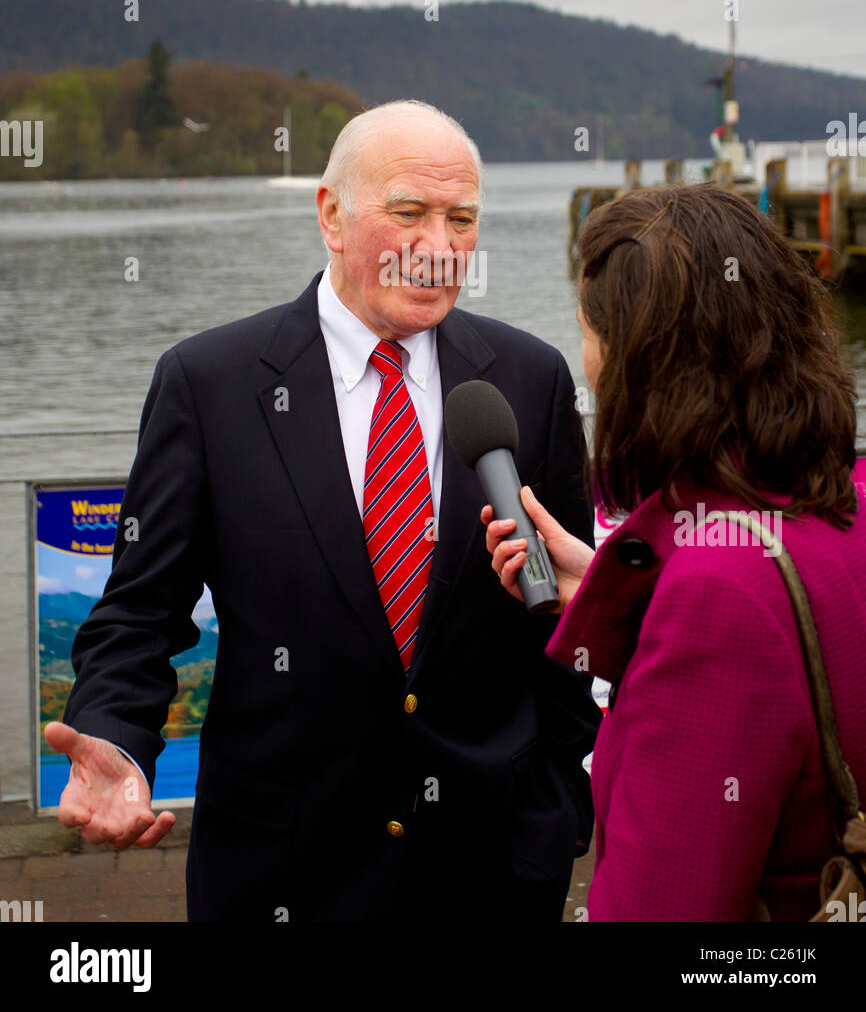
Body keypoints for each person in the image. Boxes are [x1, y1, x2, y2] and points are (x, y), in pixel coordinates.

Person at [46, 99, 600, 923]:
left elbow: (565, 621)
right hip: (280, 871)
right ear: (332, 215)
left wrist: (554, 802)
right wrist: (118, 740)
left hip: (491, 869)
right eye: (409, 213)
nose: (439, 249)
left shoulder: (530, 377)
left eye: (462, 219)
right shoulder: (211, 384)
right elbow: (140, 613)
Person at [485, 183, 866, 922]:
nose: (586, 363)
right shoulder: (844, 494)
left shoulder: (715, 599)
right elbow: (787, 684)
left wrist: (680, 613)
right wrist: (616, 595)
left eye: (590, 335)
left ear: (641, 364)